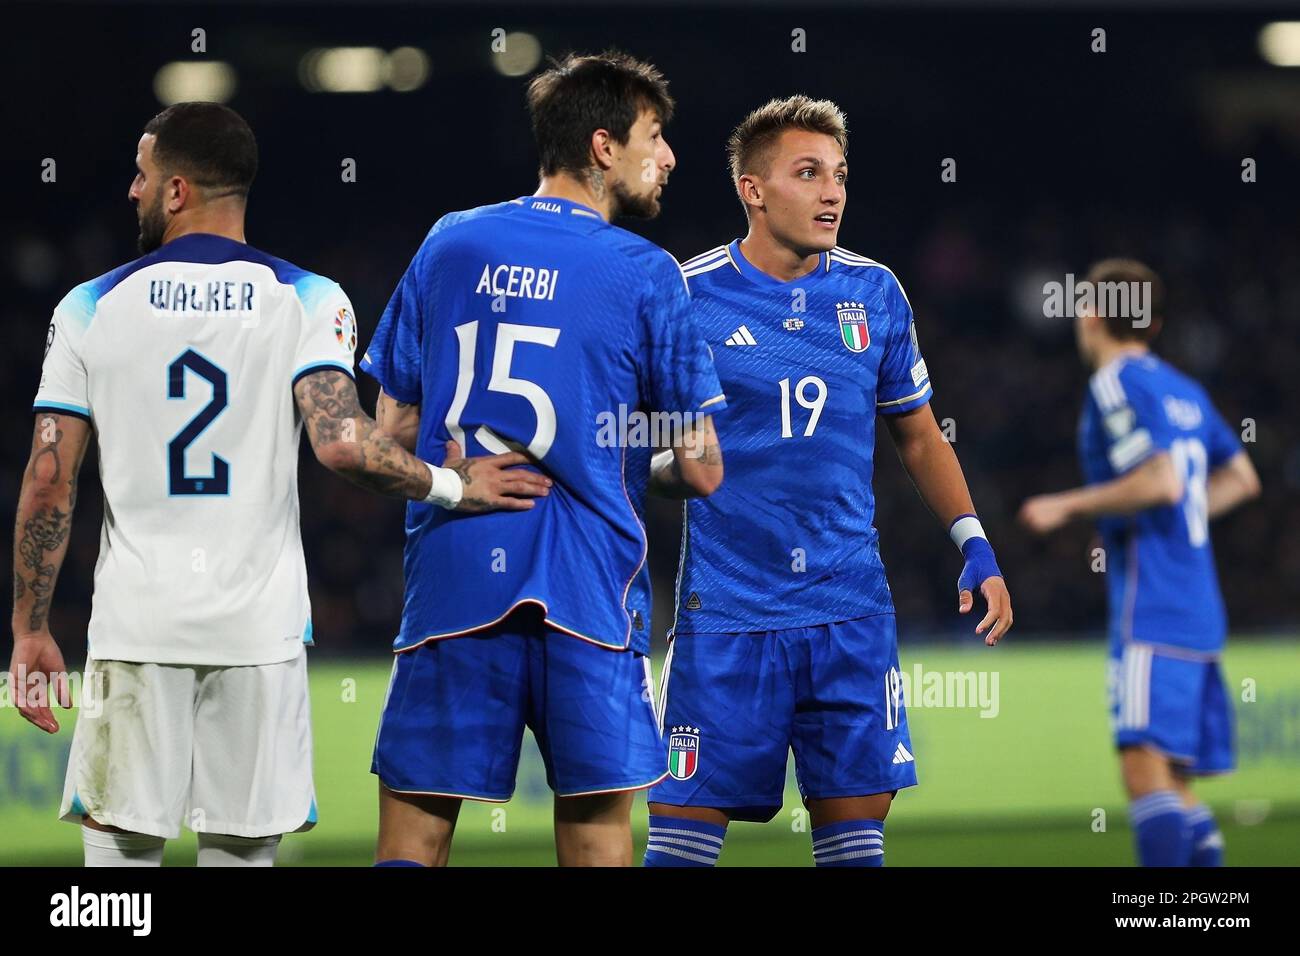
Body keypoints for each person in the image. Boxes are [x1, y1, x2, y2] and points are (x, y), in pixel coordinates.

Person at [8, 102, 546, 867]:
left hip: (135, 629)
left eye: (143, 173)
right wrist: (453, 484)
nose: (131, 189)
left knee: (119, 879)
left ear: (176, 191)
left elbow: (50, 476)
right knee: (241, 862)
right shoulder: (308, 298)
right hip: (257, 634)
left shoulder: (90, 305)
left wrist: (31, 628)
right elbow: (341, 444)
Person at [361, 52, 725, 867]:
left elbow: (390, 430)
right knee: (596, 841)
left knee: (411, 841)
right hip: (587, 596)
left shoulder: (450, 241)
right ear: (603, 147)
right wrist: (624, 461)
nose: (668, 159)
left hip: (454, 585)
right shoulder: (646, 273)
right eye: (655, 138)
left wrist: (452, 481)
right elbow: (701, 468)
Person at [645, 96, 1012, 867]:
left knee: (854, 846)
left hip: (847, 611)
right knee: (679, 842)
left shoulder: (875, 292)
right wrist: (670, 472)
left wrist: (974, 543)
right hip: (728, 613)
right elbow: (649, 448)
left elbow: (918, 434)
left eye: (839, 175)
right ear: (752, 189)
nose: (831, 192)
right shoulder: (687, 294)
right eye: (807, 173)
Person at [1019, 257, 1260, 866]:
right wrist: (1178, 517)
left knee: (1143, 773)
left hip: (1150, 607)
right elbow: (1243, 478)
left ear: (1093, 315)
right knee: (1178, 786)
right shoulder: (1184, 388)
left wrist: (1064, 506)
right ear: (1150, 325)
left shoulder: (1113, 383)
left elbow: (1160, 482)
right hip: (1199, 608)